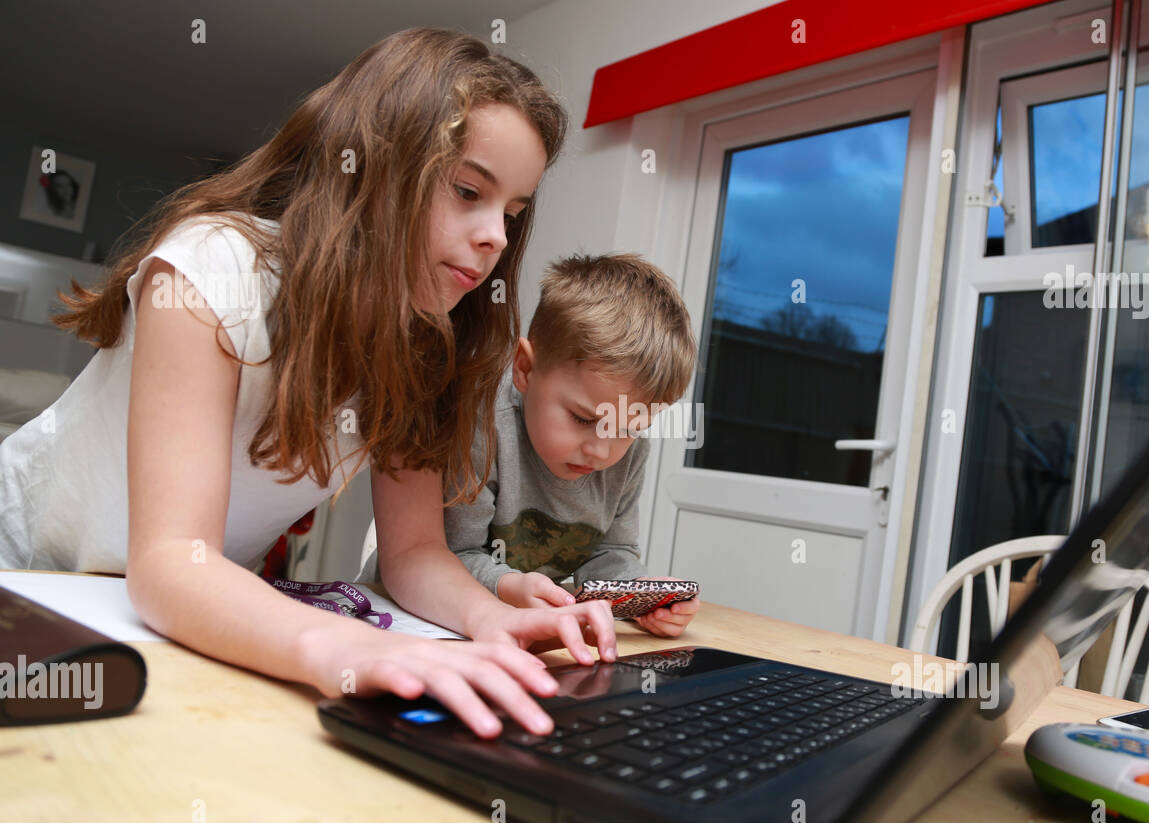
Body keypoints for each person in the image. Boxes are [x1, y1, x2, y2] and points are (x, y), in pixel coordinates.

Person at [0, 28, 620, 739]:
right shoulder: (211, 268)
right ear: (375, 167)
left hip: (164, 612)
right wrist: (350, 648)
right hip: (25, 573)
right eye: (468, 190)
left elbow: (415, 552)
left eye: (512, 213)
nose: (497, 239)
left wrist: (496, 619)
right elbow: (175, 558)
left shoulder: (424, 344)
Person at [432, 253, 702, 637]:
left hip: (516, 633)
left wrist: (639, 598)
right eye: (583, 419)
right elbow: (451, 554)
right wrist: (510, 586)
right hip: (417, 620)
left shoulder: (629, 453)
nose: (601, 451)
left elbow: (611, 552)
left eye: (628, 428)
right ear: (524, 369)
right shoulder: (482, 426)